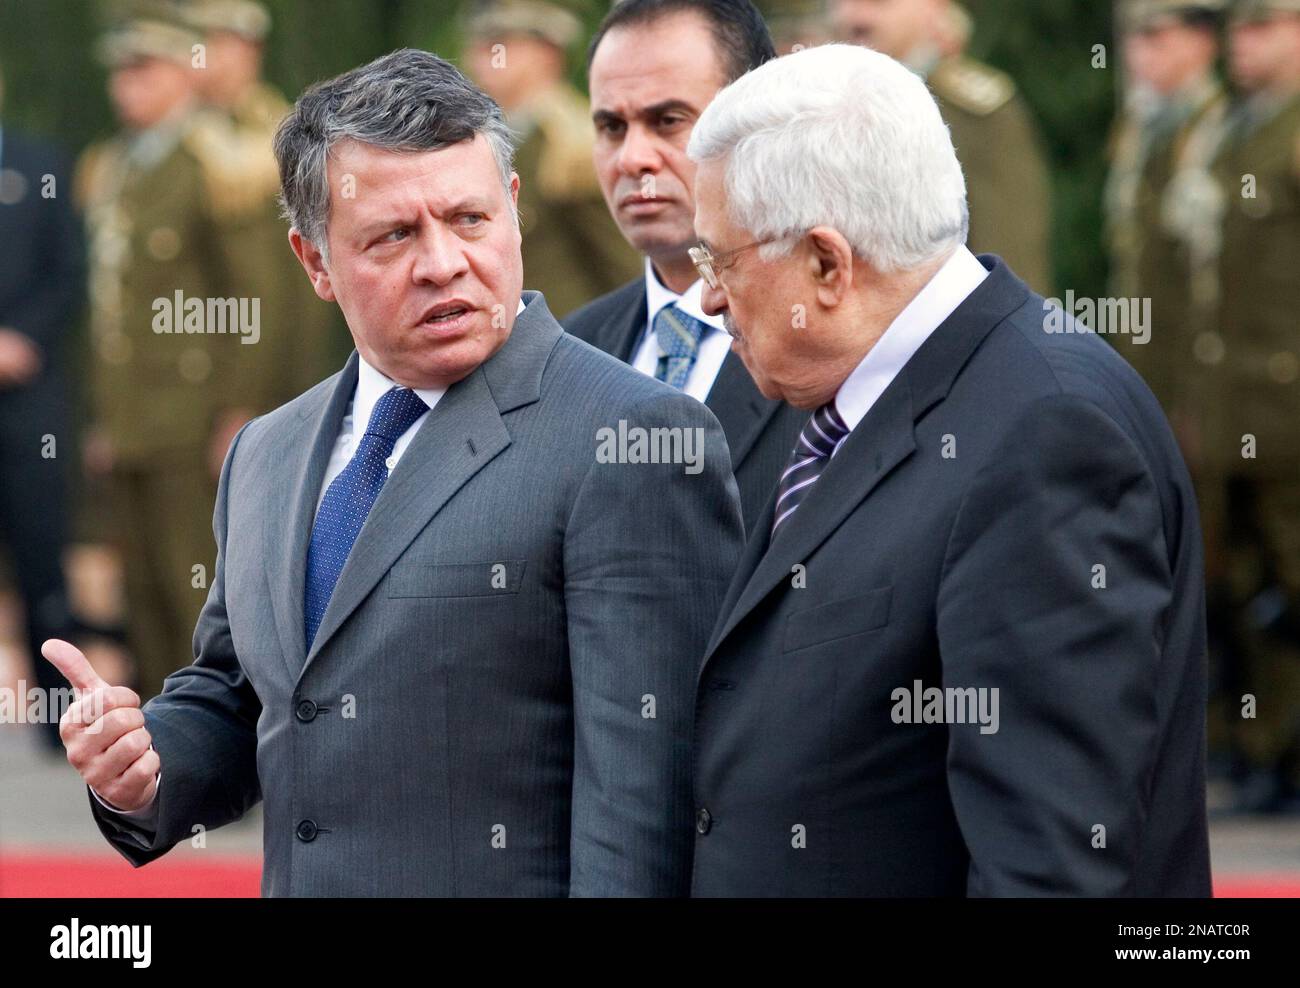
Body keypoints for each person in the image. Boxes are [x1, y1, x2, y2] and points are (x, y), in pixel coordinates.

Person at [50, 48, 744, 897]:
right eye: (394, 235)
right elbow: (241, 696)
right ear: (314, 262)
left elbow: (646, 807)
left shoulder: (633, 437)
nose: (443, 262)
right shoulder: (268, 452)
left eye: (469, 219)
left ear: (514, 211)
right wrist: (144, 765)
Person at [686, 44, 1211, 895]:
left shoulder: (1048, 434)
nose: (709, 297)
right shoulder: (843, 399)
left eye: (721, 260)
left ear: (826, 263)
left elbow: (1049, 865)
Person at [563, 0, 804, 533]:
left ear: (755, 119)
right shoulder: (567, 352)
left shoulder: (829, 343)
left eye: (667, 120)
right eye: (610, 126)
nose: (632, 158)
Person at [76, 16, 249, 701]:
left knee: (193, 580)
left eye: (145, 70)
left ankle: (218, 738)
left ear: (186, 74)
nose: (128, 86)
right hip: (132, 413)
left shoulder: (215, 165)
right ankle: (160, 742)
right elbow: (110, 311)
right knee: (142, 582)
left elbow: (251, 297)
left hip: (192, 409)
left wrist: (241, 407)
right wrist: (102, 416)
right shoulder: (116, 166)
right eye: (122, 72)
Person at [1207, 0, 1300, 810]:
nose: (1243, 43)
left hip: (1288, 398)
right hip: (1244, 406)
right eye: (1238, 28)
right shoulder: (1240, 132)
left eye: (1265, 25)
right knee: (1255, 585)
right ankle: (1269, 749)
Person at [182, 0, 347, 450]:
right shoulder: (170, 141)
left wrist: (248, 401)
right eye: (205, 43)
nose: (216, 57)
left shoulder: (279, 137)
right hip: (179, 387)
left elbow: (276, 289)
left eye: (230, 44)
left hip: (267, 376)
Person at [830, 0, 1053, 292]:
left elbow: (1009, 256)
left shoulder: (976, 113)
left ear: (934, 7)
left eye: (878, 2)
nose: (856, 16)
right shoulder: (818, 100)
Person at [0, 62, 85, 750]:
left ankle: (60, 720)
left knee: (40, 558)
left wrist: (22, 338)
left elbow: (70, 273)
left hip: (26, 405)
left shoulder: (42, 165)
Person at [464, 0, 641, 317]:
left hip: (571, 345)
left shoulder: (574, 145)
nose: (483, 57)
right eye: (479, 45)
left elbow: (625, 275)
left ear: (547, 53)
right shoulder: (488, 139)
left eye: (500, 45)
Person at [1105, 0, 1226, 419]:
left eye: (1156, 37)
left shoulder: (1221, 130)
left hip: (1203, 377)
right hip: (1144, 363)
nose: (1138, 53)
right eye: (1132, 39)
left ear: (1202, 40)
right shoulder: (1142, 129)